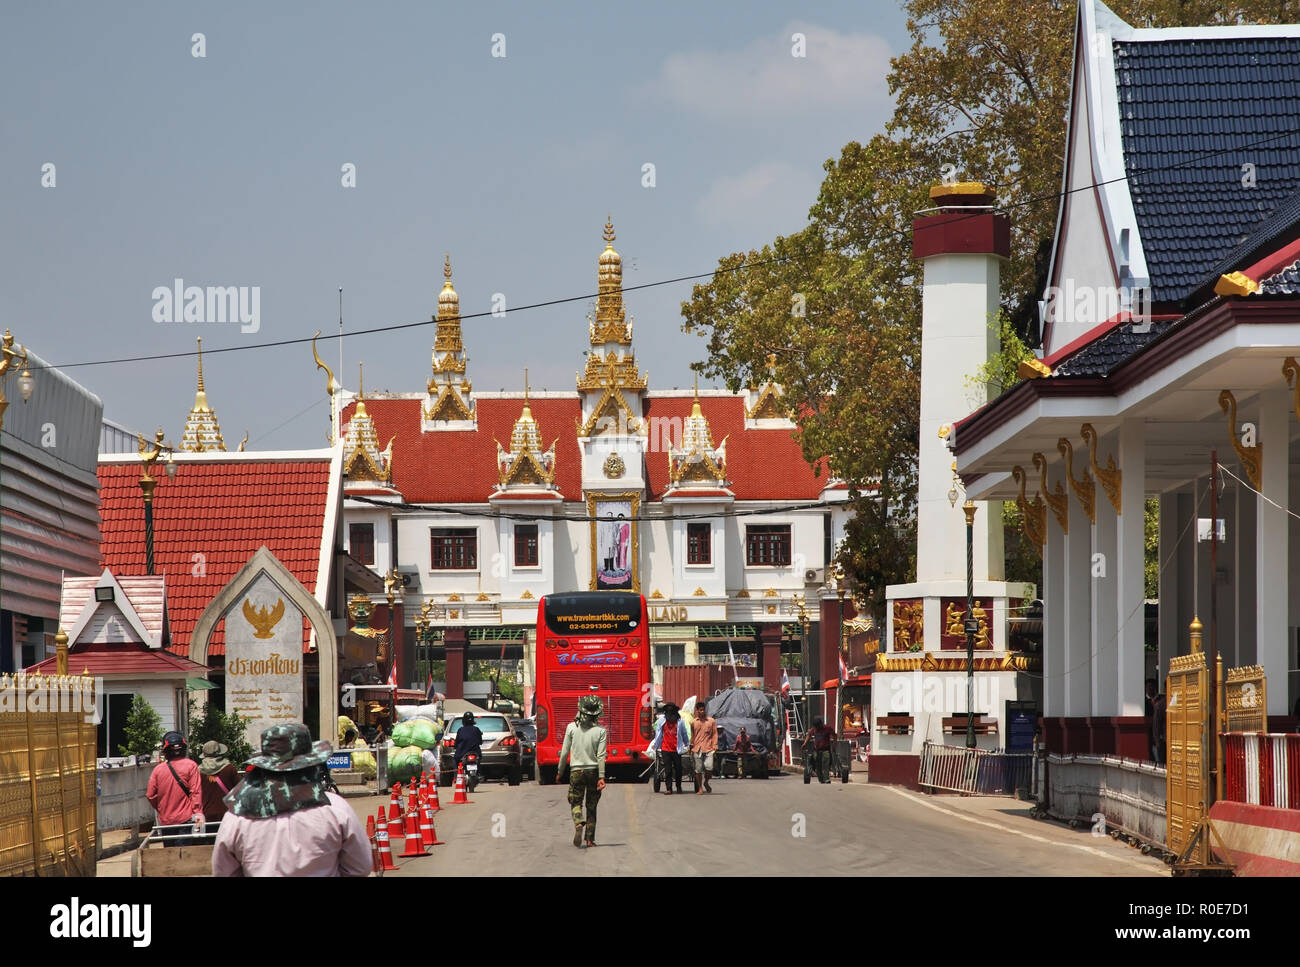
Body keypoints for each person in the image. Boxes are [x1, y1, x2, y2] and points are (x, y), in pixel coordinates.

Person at [211, 723, 371, 877]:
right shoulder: (335, 807)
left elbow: (223, 871)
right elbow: (359, 868)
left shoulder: (238, 816)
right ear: (311, 763)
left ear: (264, 767)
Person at [558, 695, 607, 847]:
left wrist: (560, 771)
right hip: (593, 771)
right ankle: (590, 839)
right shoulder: (601, 731)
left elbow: (564, 752)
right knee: (592, 805)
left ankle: (578, 822)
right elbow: (601, 756)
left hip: (576, 771)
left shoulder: (571, 728)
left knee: (575, 801)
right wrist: (601, 777)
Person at [145, 731, 202, 847]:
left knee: (169, 853)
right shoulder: (191, 765)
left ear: (165, 751)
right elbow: (196, 793)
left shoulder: (158, 770)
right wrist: (198, 814)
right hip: (186, 819)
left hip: (166, 821)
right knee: (184, 854)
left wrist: (162, 809)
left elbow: (150, 795)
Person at [199, 740, 240, 826]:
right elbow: (239, 790)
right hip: (228, 813)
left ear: (204, 755)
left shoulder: (198, 771)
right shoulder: (229, 768)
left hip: (206, 814)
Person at [652, 702, 688, 794]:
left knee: (678, 768)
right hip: (665, 749)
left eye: (671, 709)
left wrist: (687, 744)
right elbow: (658, 734)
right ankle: (669, 788)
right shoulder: (662, 720)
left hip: (676, 749)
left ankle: (678, 787)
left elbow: (684, 733)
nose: (670, 711)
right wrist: (655, 744)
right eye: (668, 709)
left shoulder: (680, 721)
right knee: (668, 770)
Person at [690, 701, 718, 794]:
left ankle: (706, 782)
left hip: (709, 748)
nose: (702, 711)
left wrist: (715, 746)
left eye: (703, 710)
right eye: (700, 710)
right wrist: (691, 746)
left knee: (709, 767)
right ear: (697, 711)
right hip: (697, 749)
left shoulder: (711, 721)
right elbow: (692, 736)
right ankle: (700, 788)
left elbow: (714, 734)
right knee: (698, 770)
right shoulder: (693, 722)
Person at [803, 718, 836, 783]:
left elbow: (834, 735)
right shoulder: (814, 729)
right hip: (817, 750)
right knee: (818, 765)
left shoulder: (827, 728)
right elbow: (809, 735)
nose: (817, 728)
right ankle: (821, 779)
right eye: (815, 726)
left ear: (820, 724)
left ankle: (826, 778)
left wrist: (834, 744)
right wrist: (805, 743)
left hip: (825, 749)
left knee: (825, 764)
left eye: (817, 726)